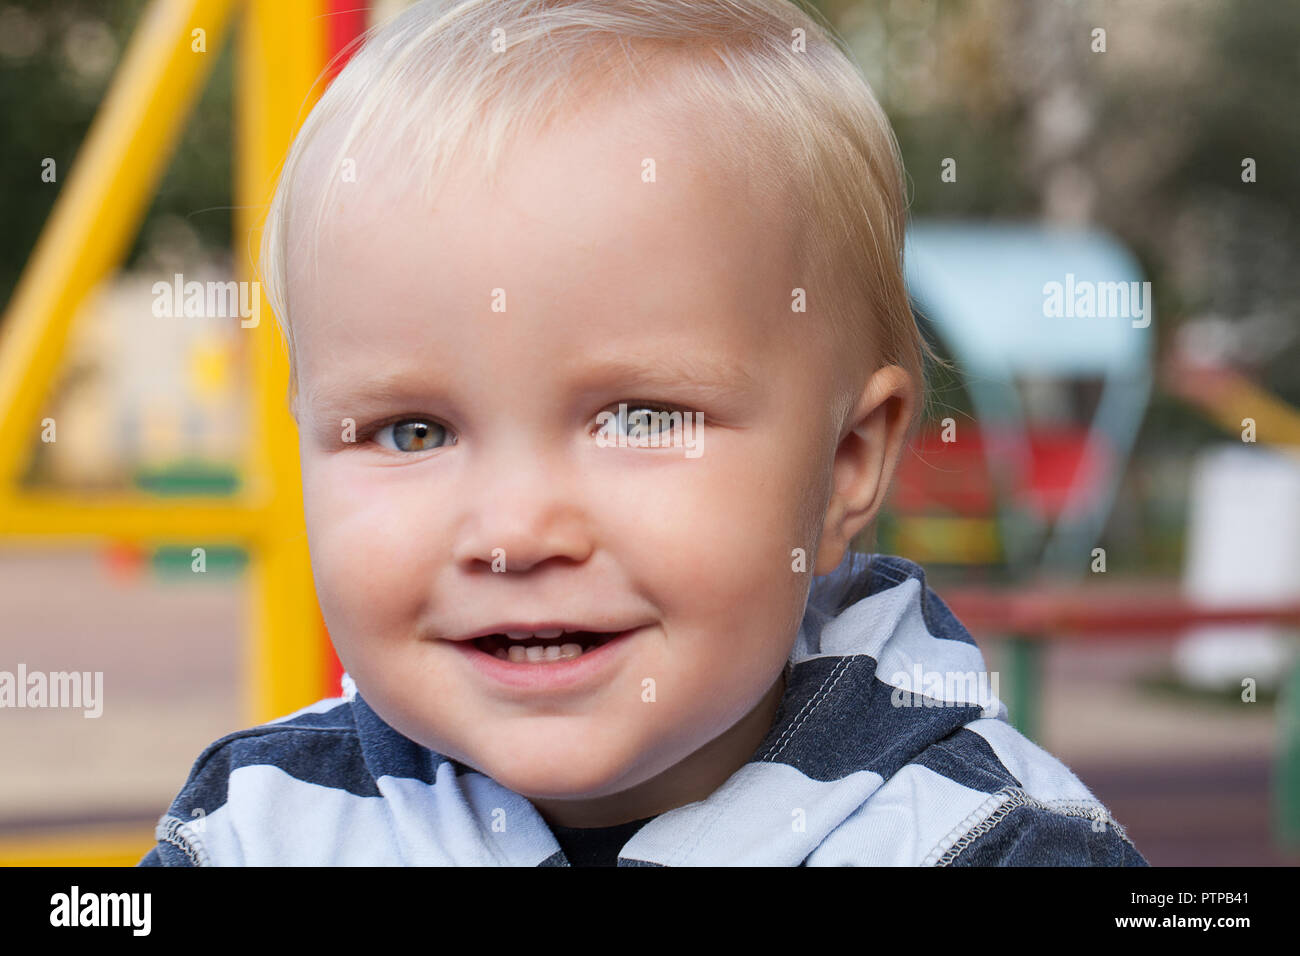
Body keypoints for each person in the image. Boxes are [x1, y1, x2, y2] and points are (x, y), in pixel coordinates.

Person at [140, 0, 1146, 866]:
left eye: (638, 416)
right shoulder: (259, 826)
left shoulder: (984, 841)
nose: (515, 530)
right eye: (411, 431)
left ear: (846, 461)